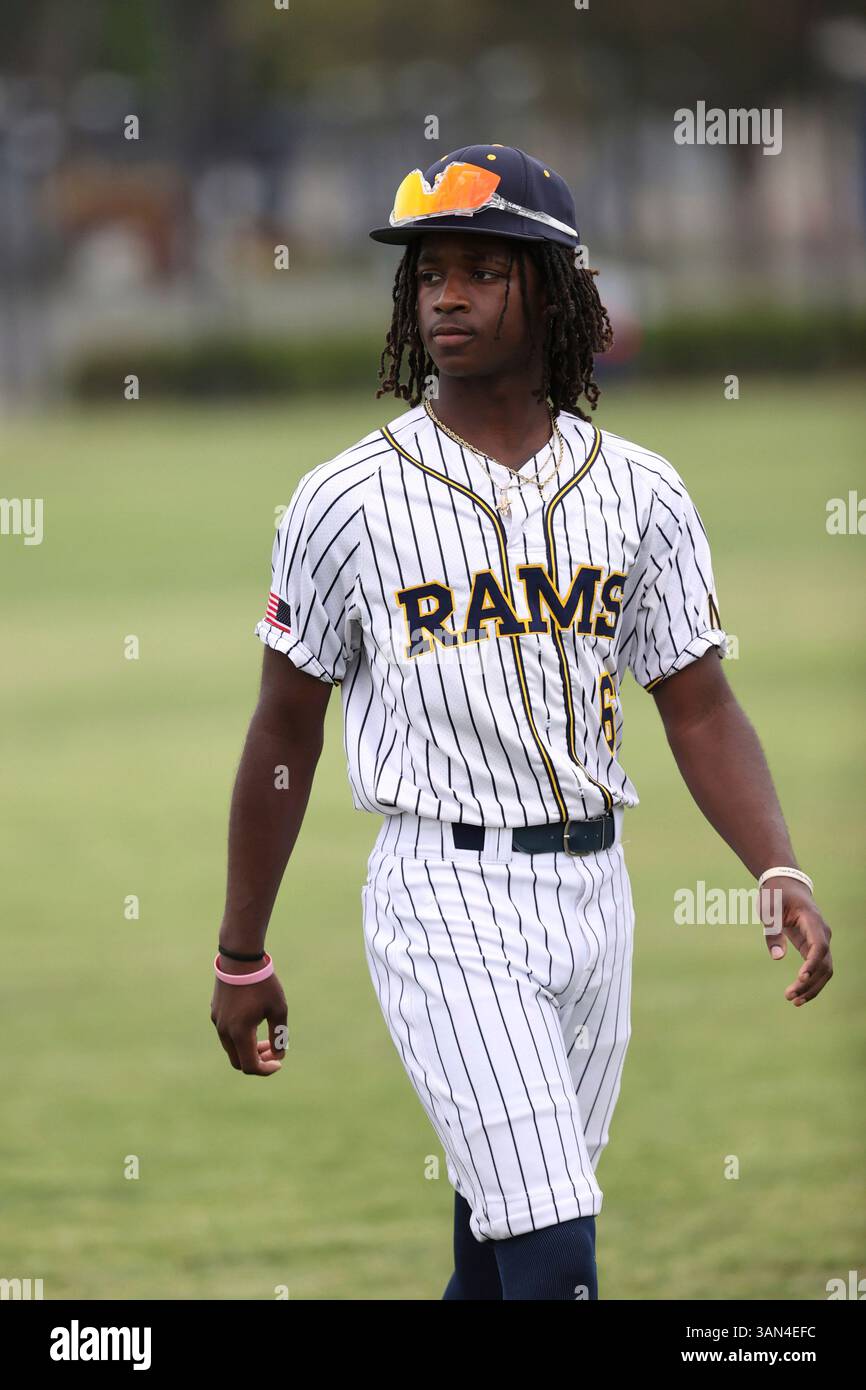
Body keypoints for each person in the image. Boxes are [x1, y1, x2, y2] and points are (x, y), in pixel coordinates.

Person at [210, 145, 833, 1301]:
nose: (444, 293)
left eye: (480, 270)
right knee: (557, 1256)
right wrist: (239, 949)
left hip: (596, 901)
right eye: (427, 273)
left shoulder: (640, 490)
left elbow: (696, 704)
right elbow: (282, 734)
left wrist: (774, 860)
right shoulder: (343, 500)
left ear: (550, 287)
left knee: (502, 1260)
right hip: (443, 896)